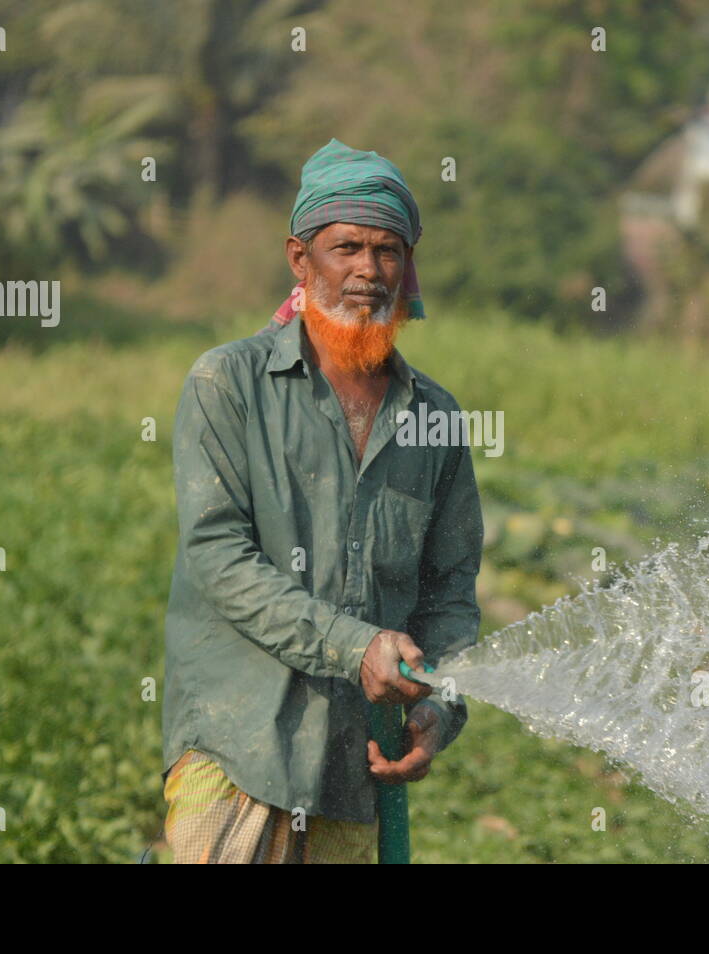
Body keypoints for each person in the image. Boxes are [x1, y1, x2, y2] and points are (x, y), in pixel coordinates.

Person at [160, 138, 484, 863]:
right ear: (300, 259)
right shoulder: (227, 384)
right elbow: (218, 556)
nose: (369, 270)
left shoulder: (436, 417)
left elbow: (451, 590)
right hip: (235, 745)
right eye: (347, 248)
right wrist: (354, 645)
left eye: (388, 251)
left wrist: (439, 709)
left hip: (356, 764)